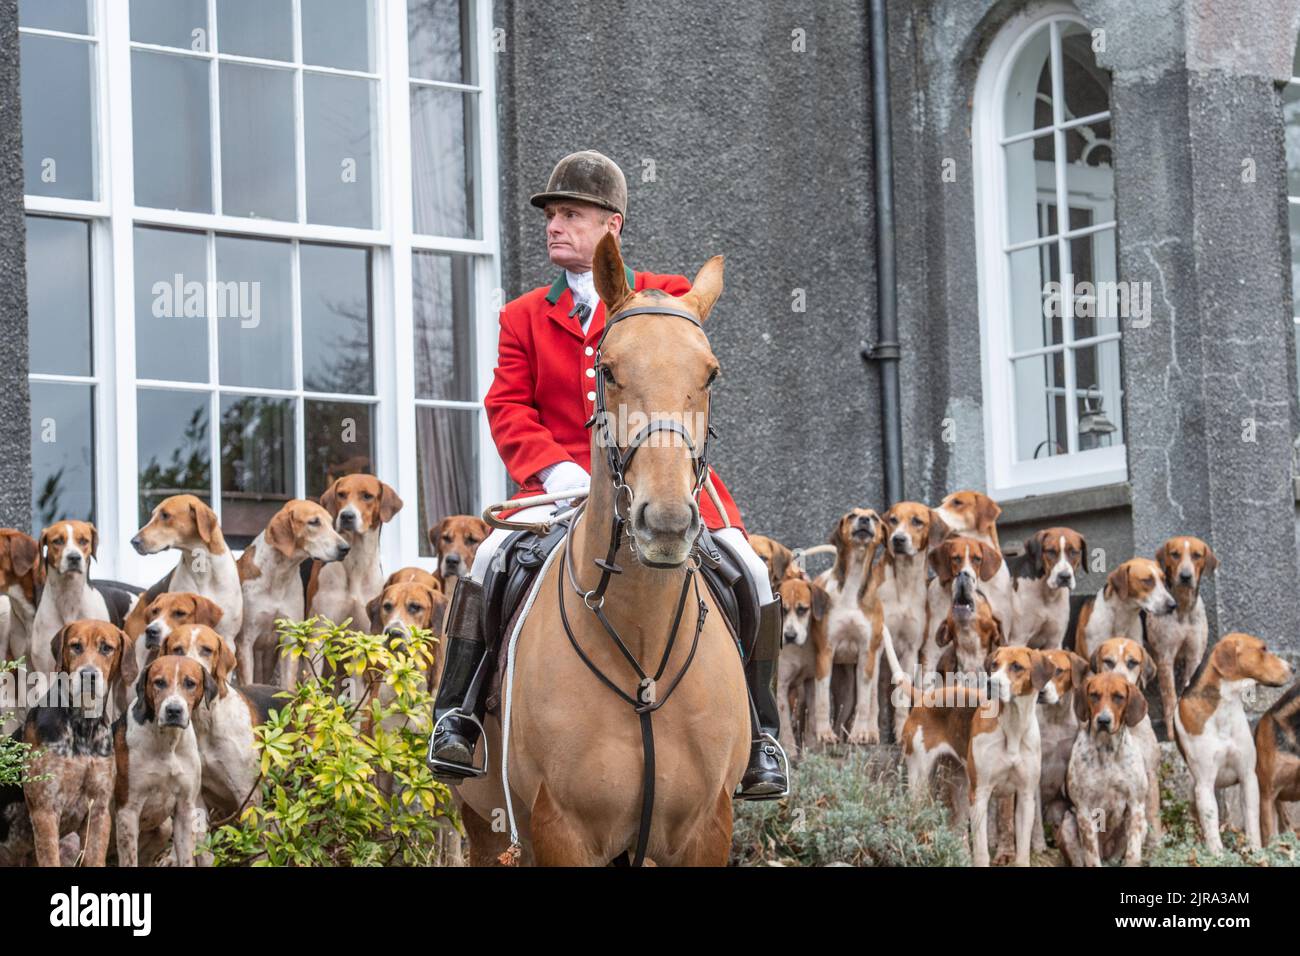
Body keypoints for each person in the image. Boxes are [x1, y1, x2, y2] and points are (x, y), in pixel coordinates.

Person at [428, 150, 786, 799]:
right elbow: (507, 405)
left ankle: (763, 736)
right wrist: (556, 470)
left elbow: (686, 384)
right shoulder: (523, 316)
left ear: (611, 225)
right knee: (487, 560)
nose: (554, 226)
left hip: (661, 477)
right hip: (561, 485)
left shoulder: (668, 298)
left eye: (571, 214)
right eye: (551, 215)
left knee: (752, 571)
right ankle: (457, 717)